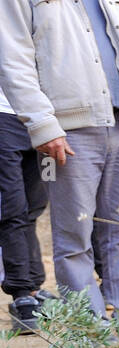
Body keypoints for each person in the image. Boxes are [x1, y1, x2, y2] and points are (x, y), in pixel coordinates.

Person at [0, 0, 119, 329]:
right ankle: (89, 321)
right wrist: (42, 124)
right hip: (67, 129)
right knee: (74, 232)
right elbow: (13, 57)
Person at [0, 82, 54, 333]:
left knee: (35, 206)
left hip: (46, 122)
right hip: (4, 117)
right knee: (13, 208)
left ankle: (33, 286)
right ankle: (21, 294)